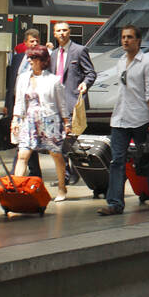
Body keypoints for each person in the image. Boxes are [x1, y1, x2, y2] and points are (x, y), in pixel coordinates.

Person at [99, 25, 149, 214]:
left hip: (140, 119)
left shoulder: (147, 63)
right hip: (120, 119)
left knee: (147, 159)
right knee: (116, 161)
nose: (125, 40)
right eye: (123, 37)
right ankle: (115, 204)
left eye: (129, 37)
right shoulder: (121, 61)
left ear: (138, 40)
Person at [11, 44, 71, 200]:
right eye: (29, 57)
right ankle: (17, 192)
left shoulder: (53, 80)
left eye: (34, 57)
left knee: (56, 154)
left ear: (43, 60)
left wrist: (67, 122)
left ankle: (62, 188)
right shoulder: (23, 78)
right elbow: (19, 101)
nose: (30, 60)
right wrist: (15, 119)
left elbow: (61, 104)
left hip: (49, 120)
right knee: (22, 155)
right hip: (28, 121)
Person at [49, 21, 96, 185]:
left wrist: (85, 84)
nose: (62, 33)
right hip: (56, 103)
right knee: (58, 142)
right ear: (54, 34)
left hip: (73, 102)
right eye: (58, 31)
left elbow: (91, 73)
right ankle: (65, 175)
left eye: (64, 30)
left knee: (71, 141)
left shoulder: (80, 50)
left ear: (69, 32)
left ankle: (73, 173)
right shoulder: (53, 54)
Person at [5, 27, 44, 180]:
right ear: (25, 43)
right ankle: (35, 172)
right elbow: (11, 82)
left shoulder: (43, 61)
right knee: (25, 140)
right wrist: (8, 103)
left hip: (33, 106)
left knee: (24, 141)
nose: (34, 44)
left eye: (37, 41)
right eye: (31, 41)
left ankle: (16, 174)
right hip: (17, 103)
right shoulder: (17, 59)